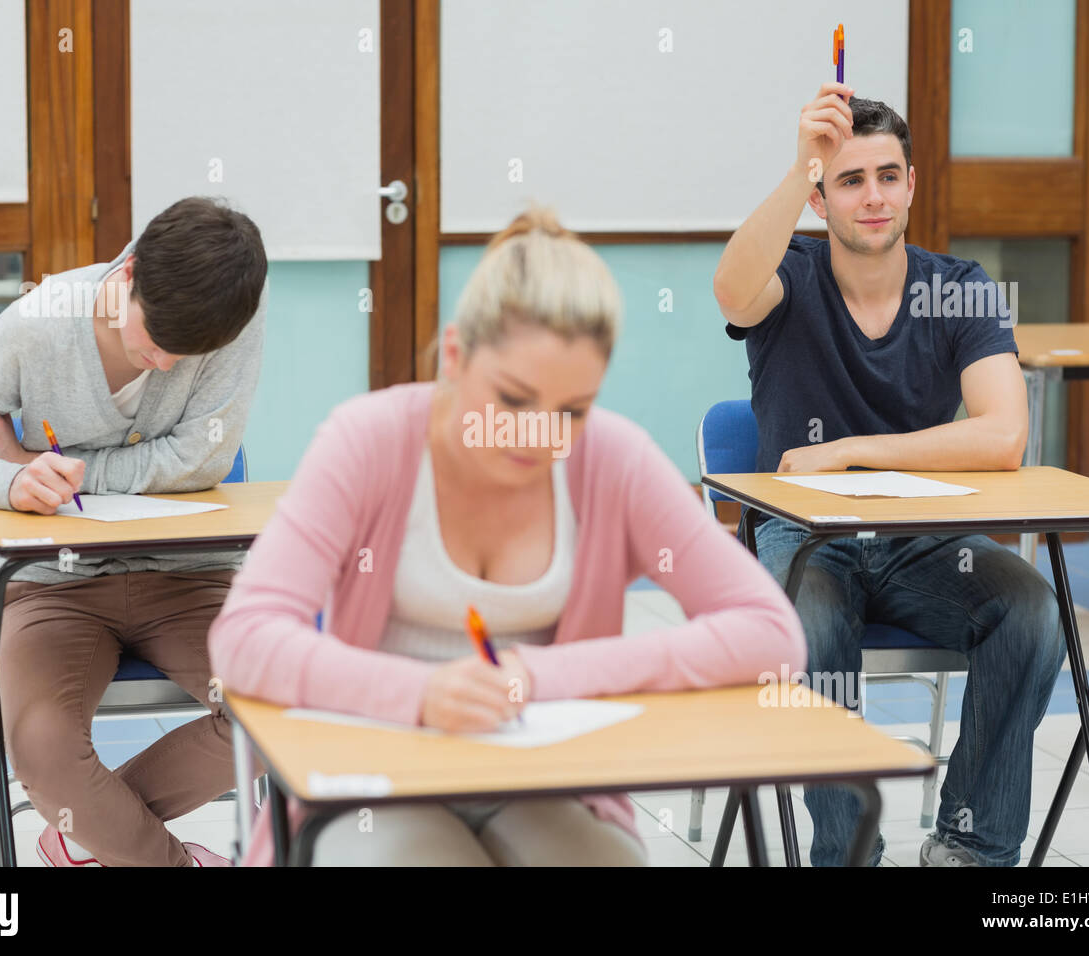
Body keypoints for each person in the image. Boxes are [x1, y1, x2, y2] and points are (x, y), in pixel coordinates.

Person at [209, 207, 806, 866]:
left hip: (543, 780)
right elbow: (245, 636)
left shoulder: (612, 457)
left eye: (572, 411)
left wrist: (537, 676)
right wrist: (420, 695)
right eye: (515, 400)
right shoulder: (368, 440)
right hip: (376, 778)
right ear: (458, 354)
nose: (538, 436)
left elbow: (770, 634)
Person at [713, 85, 1065, 866]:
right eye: (847, 179)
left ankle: (970, 848)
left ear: (910, 185)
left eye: (886, 176)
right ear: (819, 196)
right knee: (811, 629)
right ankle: (847, 856)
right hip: (805, 538)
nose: (871, 196)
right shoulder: (791, 276)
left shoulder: (958, 285)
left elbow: (1004, 435)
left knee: (1032, 613)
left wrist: (852, 451)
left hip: (923, 541)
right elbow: (732, 288)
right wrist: (801, 159)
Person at [0, 196, 269, 866]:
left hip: (187, 575)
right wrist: (6, 482)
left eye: (186, 358)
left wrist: (28, 461)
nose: (165, 368)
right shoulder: (38, 326)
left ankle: (83, 832)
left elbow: (200, 459)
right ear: (126, 275)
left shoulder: (228, 318)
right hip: (53, 586)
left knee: (281, 712)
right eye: (155, 345)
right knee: (40, 745)